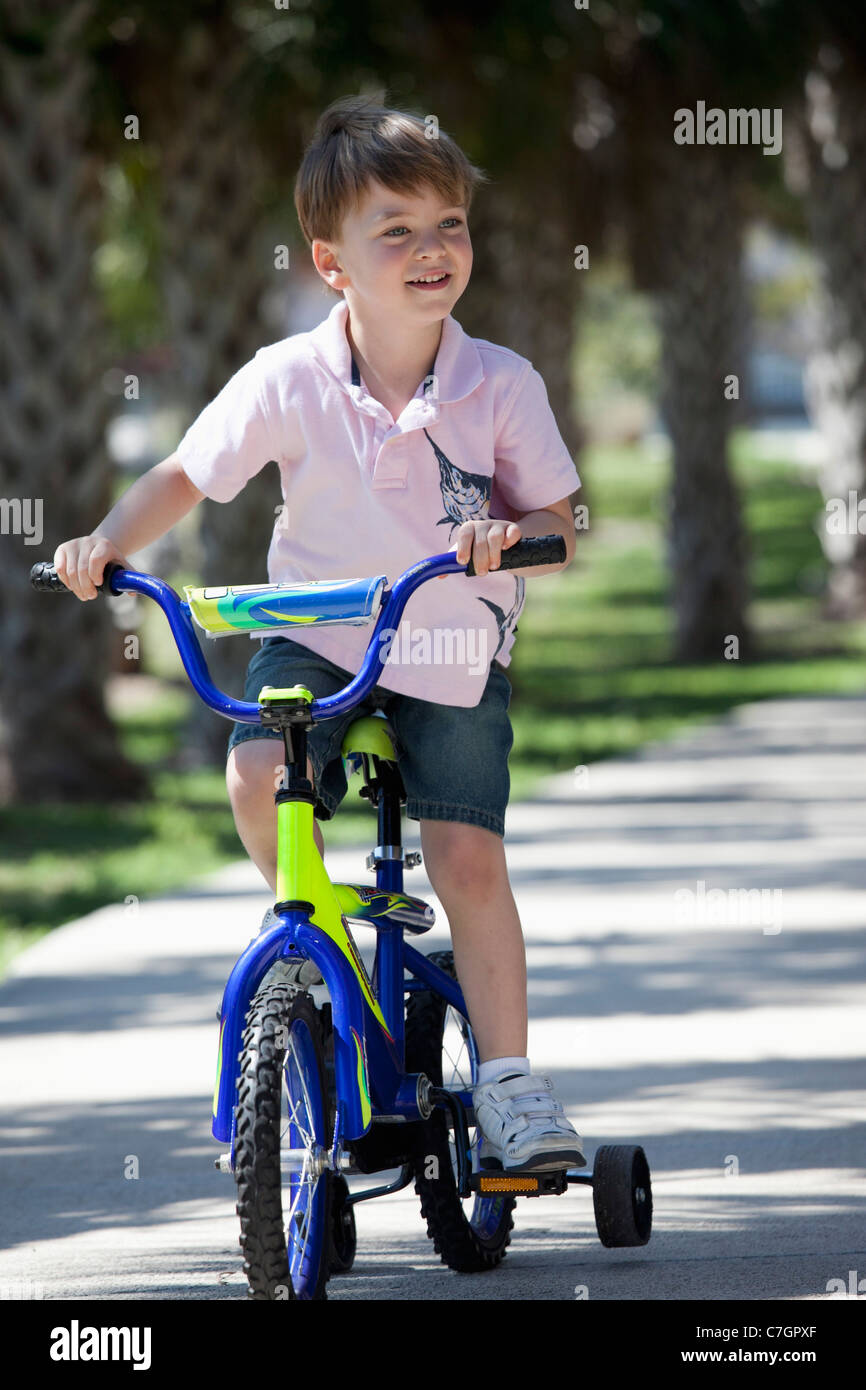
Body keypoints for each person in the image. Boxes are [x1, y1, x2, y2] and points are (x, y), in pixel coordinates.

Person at [55, 94, 585, 1174]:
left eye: (449, 225)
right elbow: (187, 475)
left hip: (445, 643)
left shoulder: (500, 385)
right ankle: (313, 937)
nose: (431, 250)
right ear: (332, 262)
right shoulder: (286, 378)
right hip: (321, 634)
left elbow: (560, 525)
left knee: (466, 857)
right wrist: (105, 540)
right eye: (396, 231)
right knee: (255, 776)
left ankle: (509, 1083)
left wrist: (512, 536)